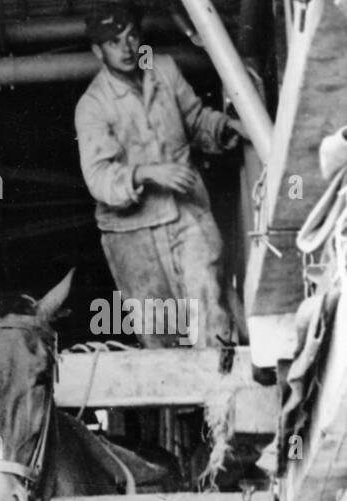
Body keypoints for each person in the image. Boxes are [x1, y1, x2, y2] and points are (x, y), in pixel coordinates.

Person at [75, 3, 248, 348]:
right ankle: (177, 402)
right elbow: (99, 178)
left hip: (186, 211)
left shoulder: (163, 71)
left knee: (208, 305)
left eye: (131, 36)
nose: (126, 48)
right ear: (98, 50)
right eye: (113, 42)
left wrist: (231, 128)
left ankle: (222, 386)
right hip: (132, 235)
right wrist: (147, 173)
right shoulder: (93, 105)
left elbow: (197, 122)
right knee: (161, 332)